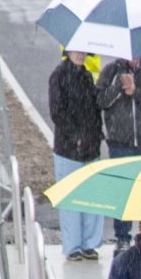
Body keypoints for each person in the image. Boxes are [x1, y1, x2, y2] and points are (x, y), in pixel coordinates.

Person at [97, 53, 141, 250]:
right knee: (123, 193)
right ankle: (122, 237)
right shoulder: (110, 71)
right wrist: (120, 88)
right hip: (120, 144)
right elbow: (101, 101)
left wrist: (136, 91)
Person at [47, 50, 105, 261]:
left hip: (90, 146)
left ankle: (90, 243)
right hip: (68, 149)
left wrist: (96, 134)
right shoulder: (59, 76)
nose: (80, 55)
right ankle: (72, 246)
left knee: (91, 197)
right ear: (68, 51)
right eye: (77, 51)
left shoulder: (88, 77)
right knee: (71, 198)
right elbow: (57, 111)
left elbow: (95, 109)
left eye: (83, 52)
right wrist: (75, 136)